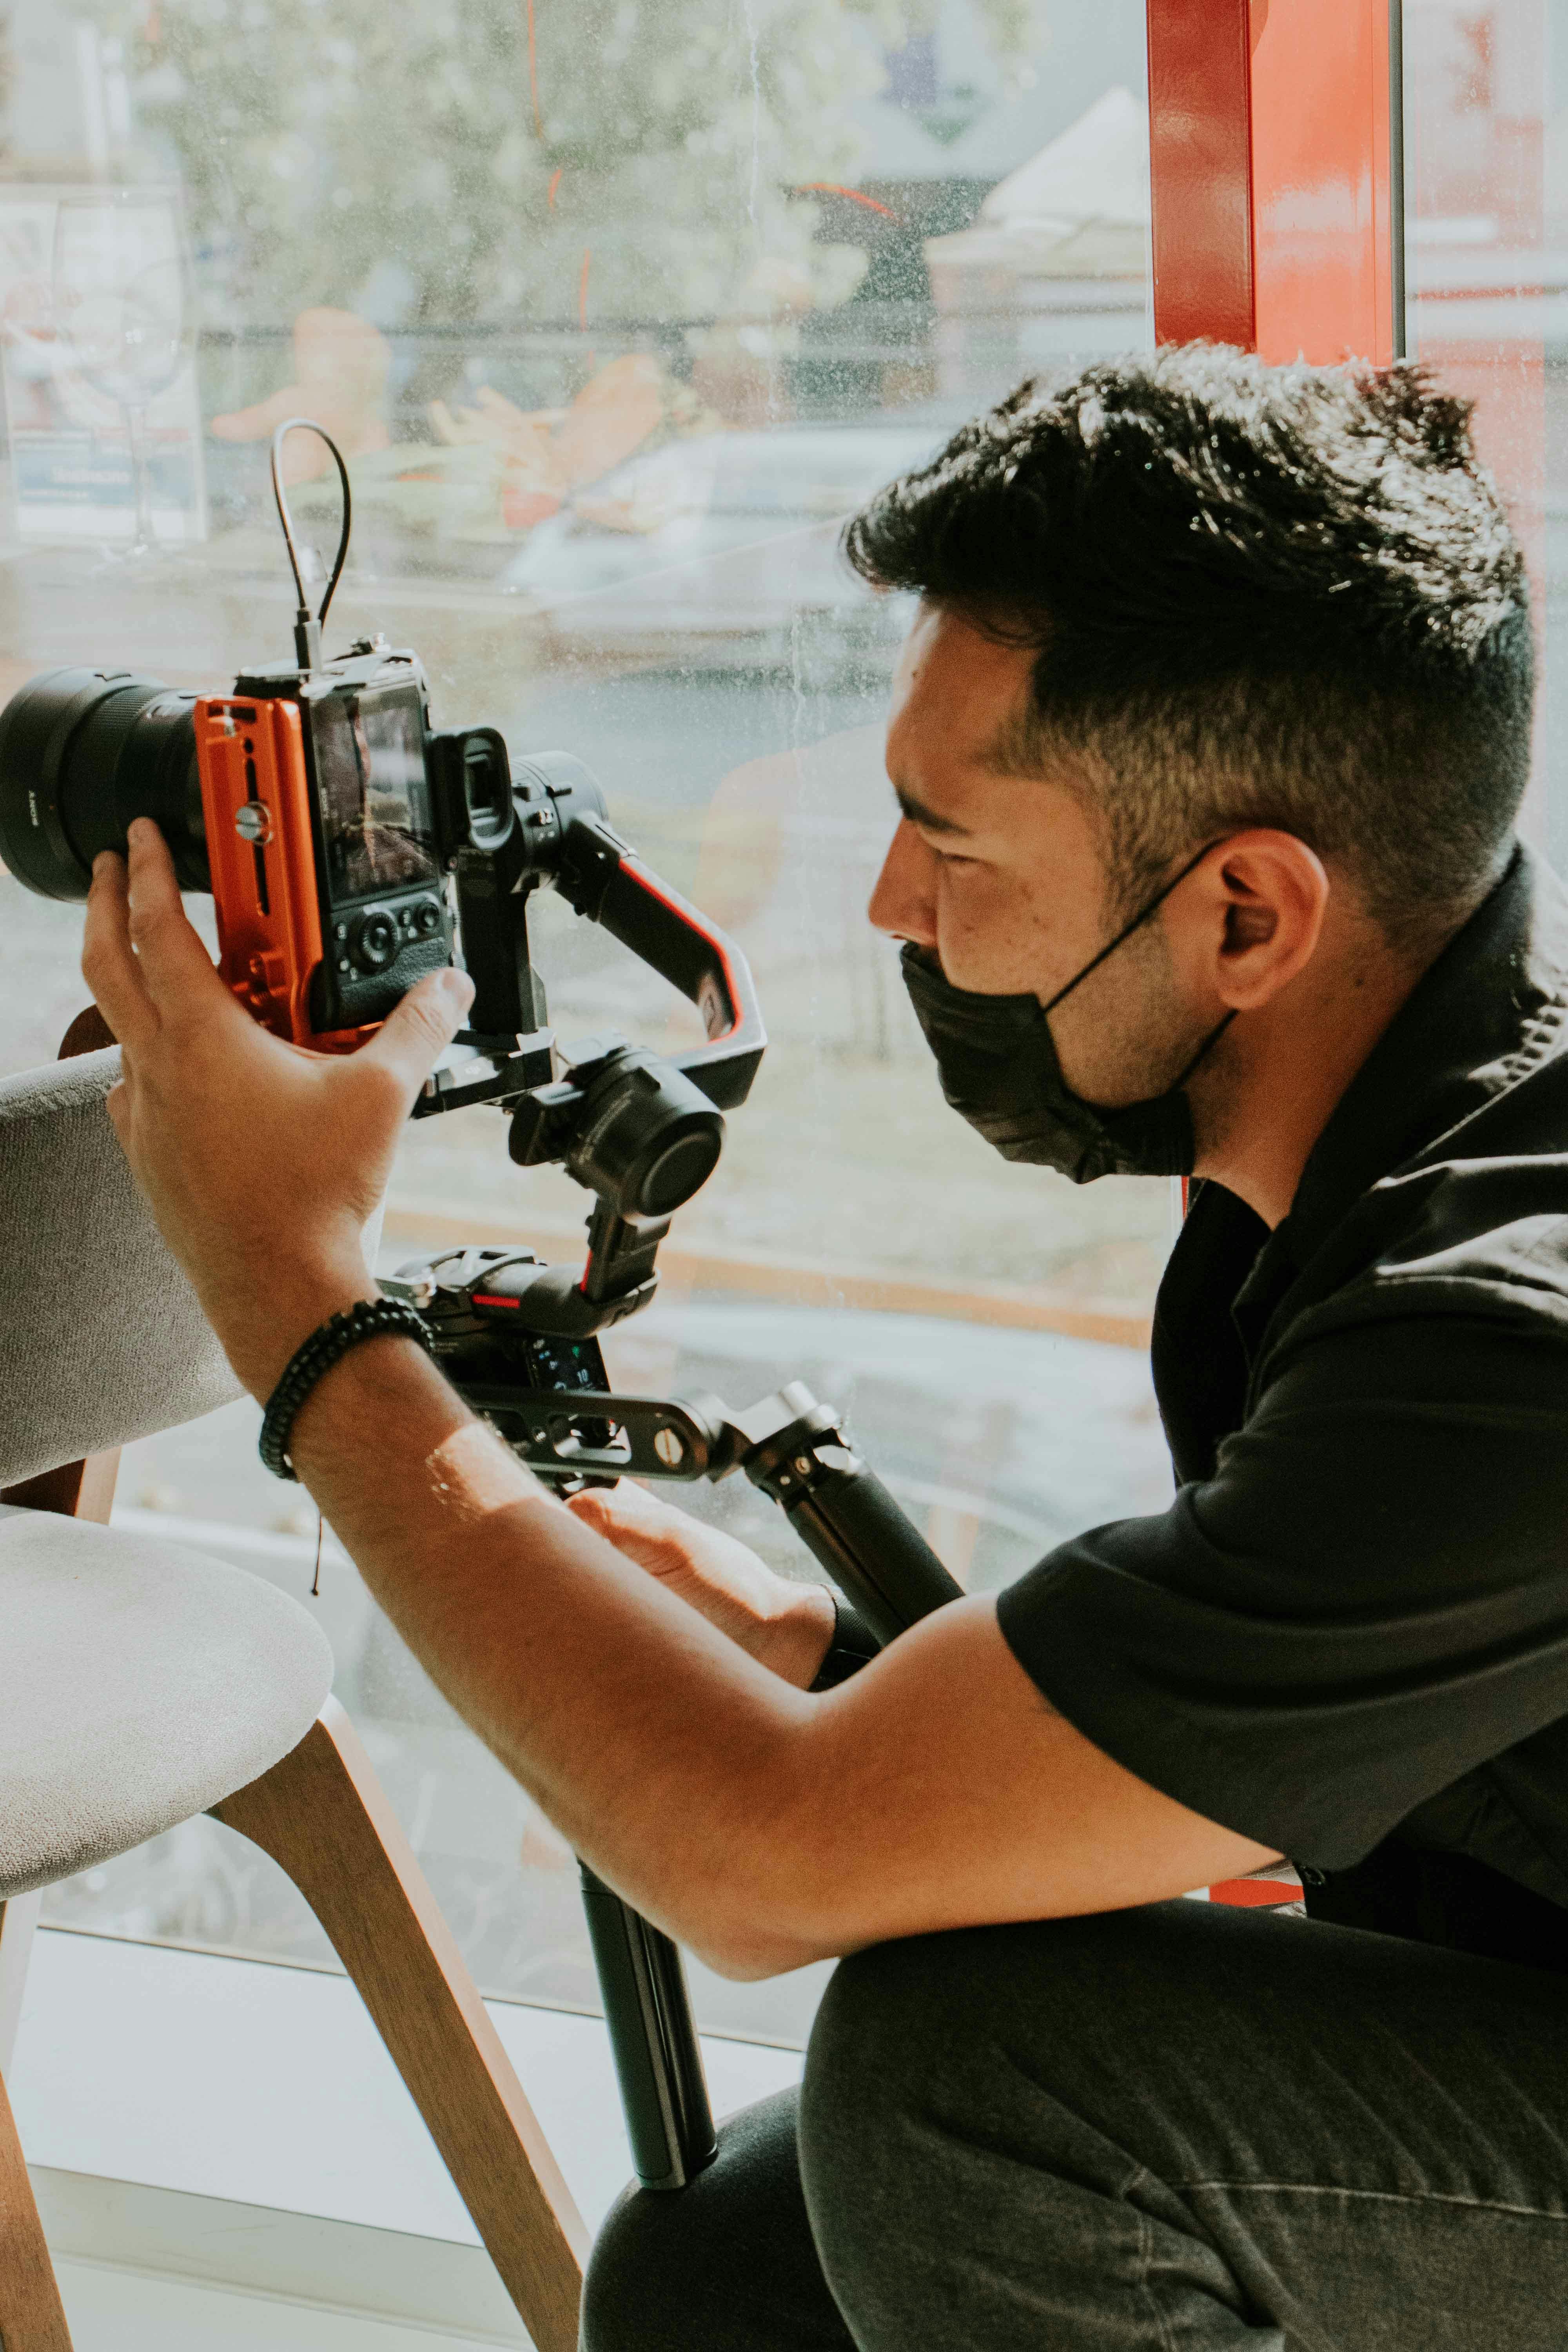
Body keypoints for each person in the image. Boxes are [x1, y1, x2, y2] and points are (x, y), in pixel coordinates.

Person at [78, 346, 1568, 2351]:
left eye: (953, 852)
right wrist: (829, 1676)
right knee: (726, 2274)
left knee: (983, 2086)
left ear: (1245, 915)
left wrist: (285, 1282)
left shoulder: (1495, 1347)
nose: (890, 908)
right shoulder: (1351, 1195)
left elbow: (757, 1872)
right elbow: (1277, 1744)